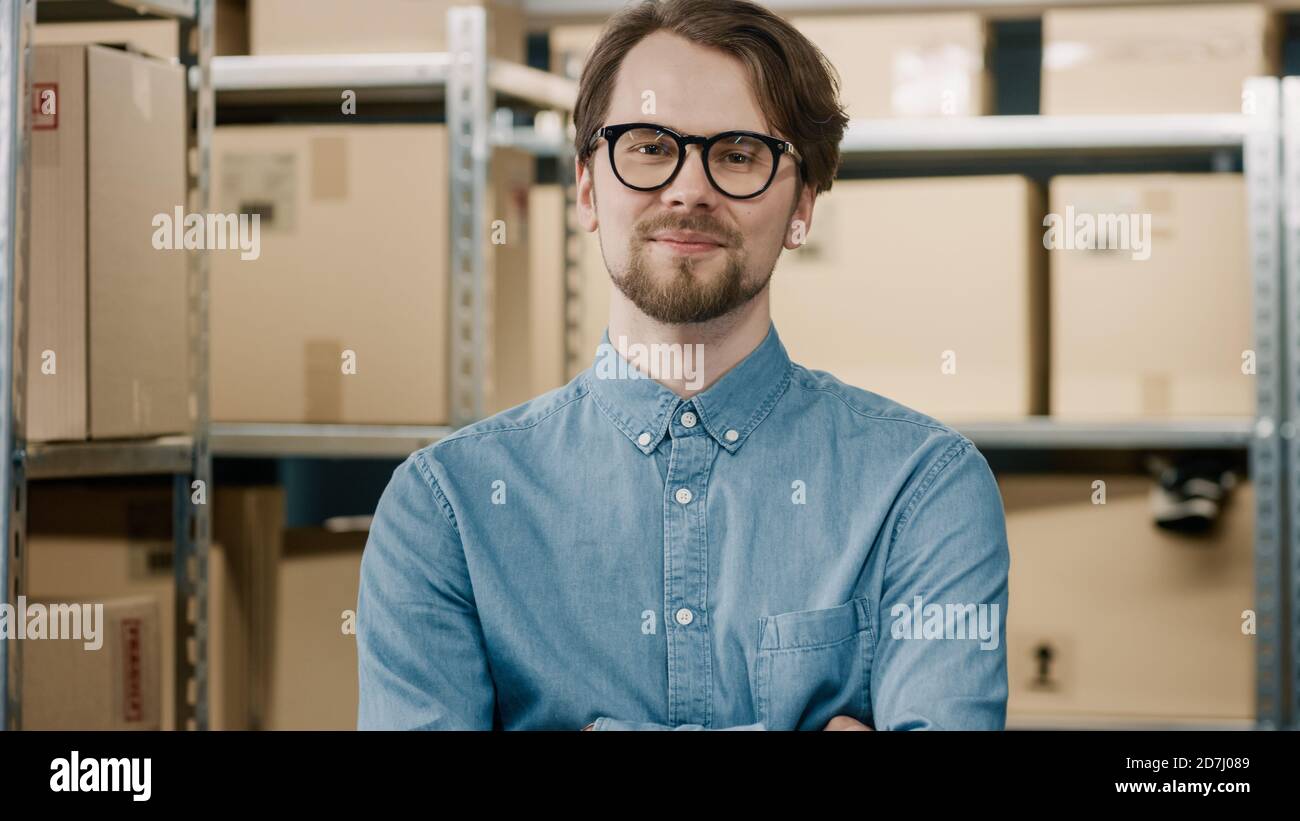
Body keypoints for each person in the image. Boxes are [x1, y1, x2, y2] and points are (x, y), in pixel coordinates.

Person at [357, 0, 1009, 731]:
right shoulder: (444, 510)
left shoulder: (923, 488)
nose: (689, 189)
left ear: (804, 207)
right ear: (585, 188)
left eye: (738, 154)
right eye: (647, 145)